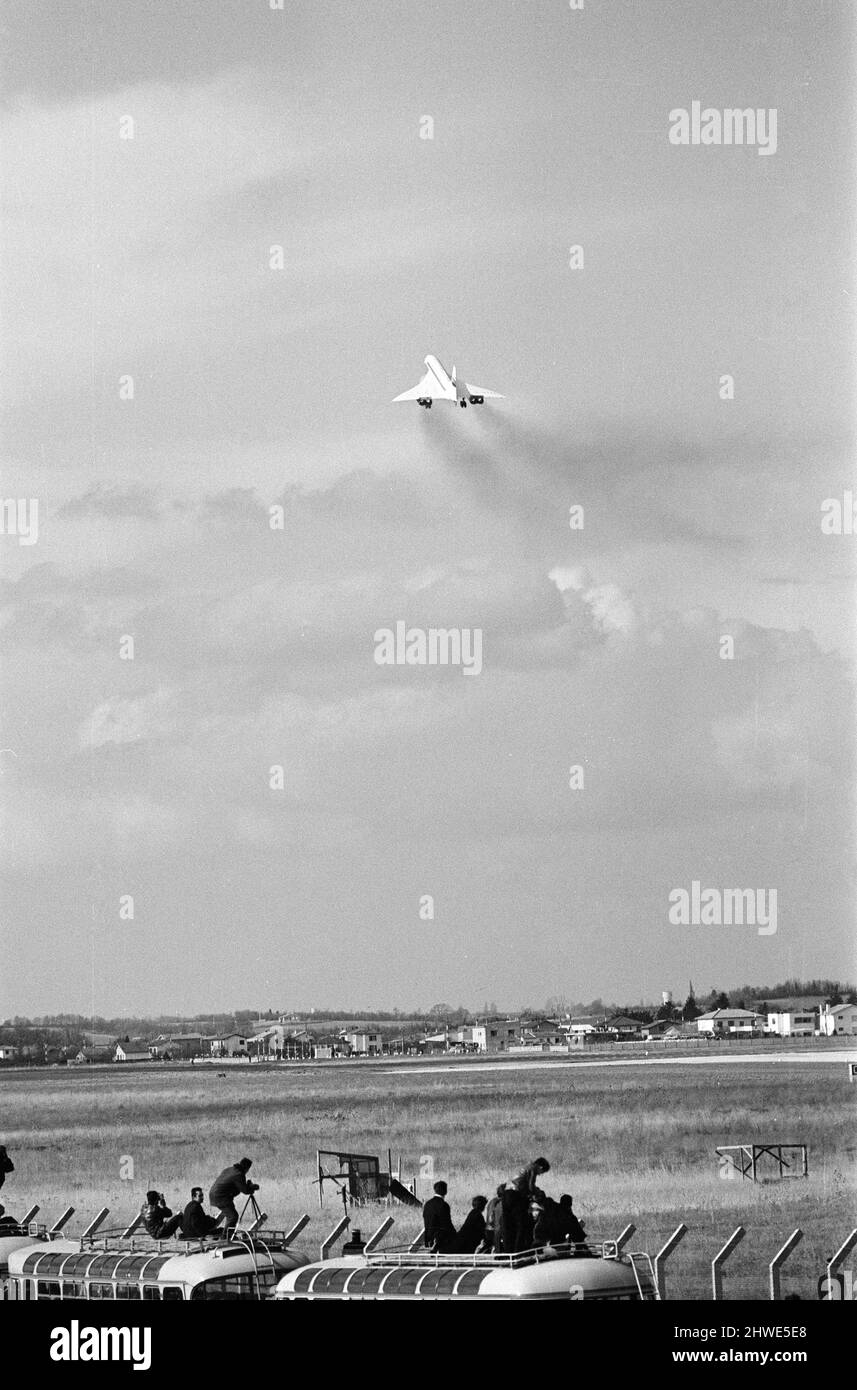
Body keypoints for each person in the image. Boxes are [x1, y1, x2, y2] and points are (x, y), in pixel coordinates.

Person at [209, 1157, 258, 1232]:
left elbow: (237, 1186)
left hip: (214, 1194)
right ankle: (226, 1238)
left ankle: (227, 1235)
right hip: (220, 1197)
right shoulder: (239, 1174)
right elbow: (245, 1190)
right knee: (233, 1217)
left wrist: (247, 1186)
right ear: (247, 1168)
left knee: (230, 1214)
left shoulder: (229, 1169)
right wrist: (253, 1187)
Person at [422, 1180, 456, 1252]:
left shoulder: (427, 1204)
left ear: (435, 1190)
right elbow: (447, 1224)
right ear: (445, 1191)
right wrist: (456, 1236)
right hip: (440, 1241)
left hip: (428, 1238)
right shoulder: (444, 1205)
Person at [480, 1185, 505, 1253]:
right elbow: (491, 1219)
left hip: (489, 1229)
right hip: (493, 1230)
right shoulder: (499, 1202)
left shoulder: (493, 1200)